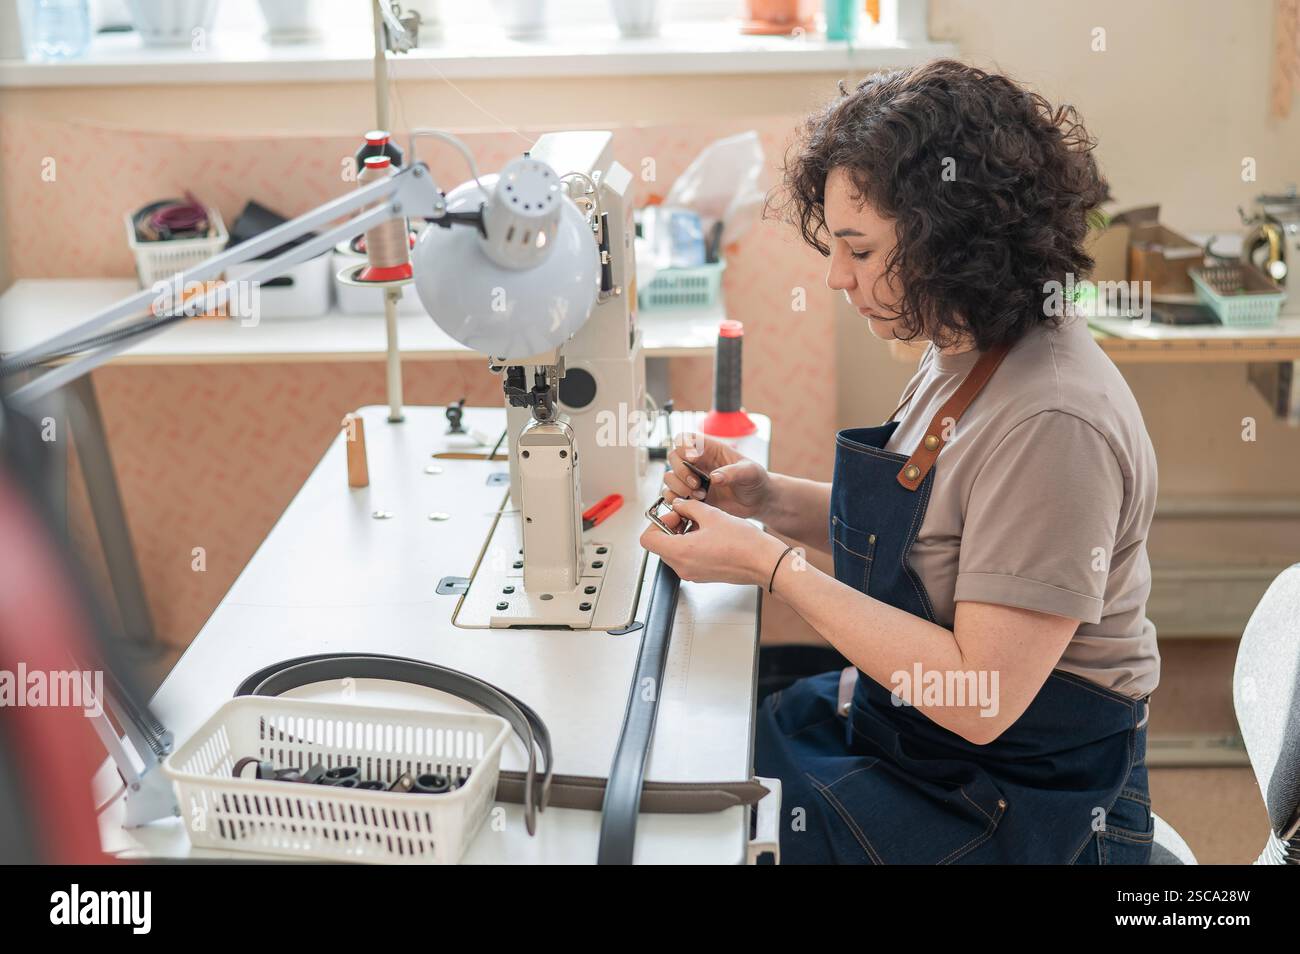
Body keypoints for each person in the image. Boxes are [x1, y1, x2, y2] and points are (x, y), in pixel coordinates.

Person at [640, 59, 1160, 864]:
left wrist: (773, 567)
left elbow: (979, 696)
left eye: (859, 248)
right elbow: (936, 534)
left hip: (1020, 796)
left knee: (719, 826)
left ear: (952, 238)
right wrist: (767, 501)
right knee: (717, 746)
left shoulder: (1054, 422)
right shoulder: (966, 340)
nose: (836, 276)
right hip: (932, 741)